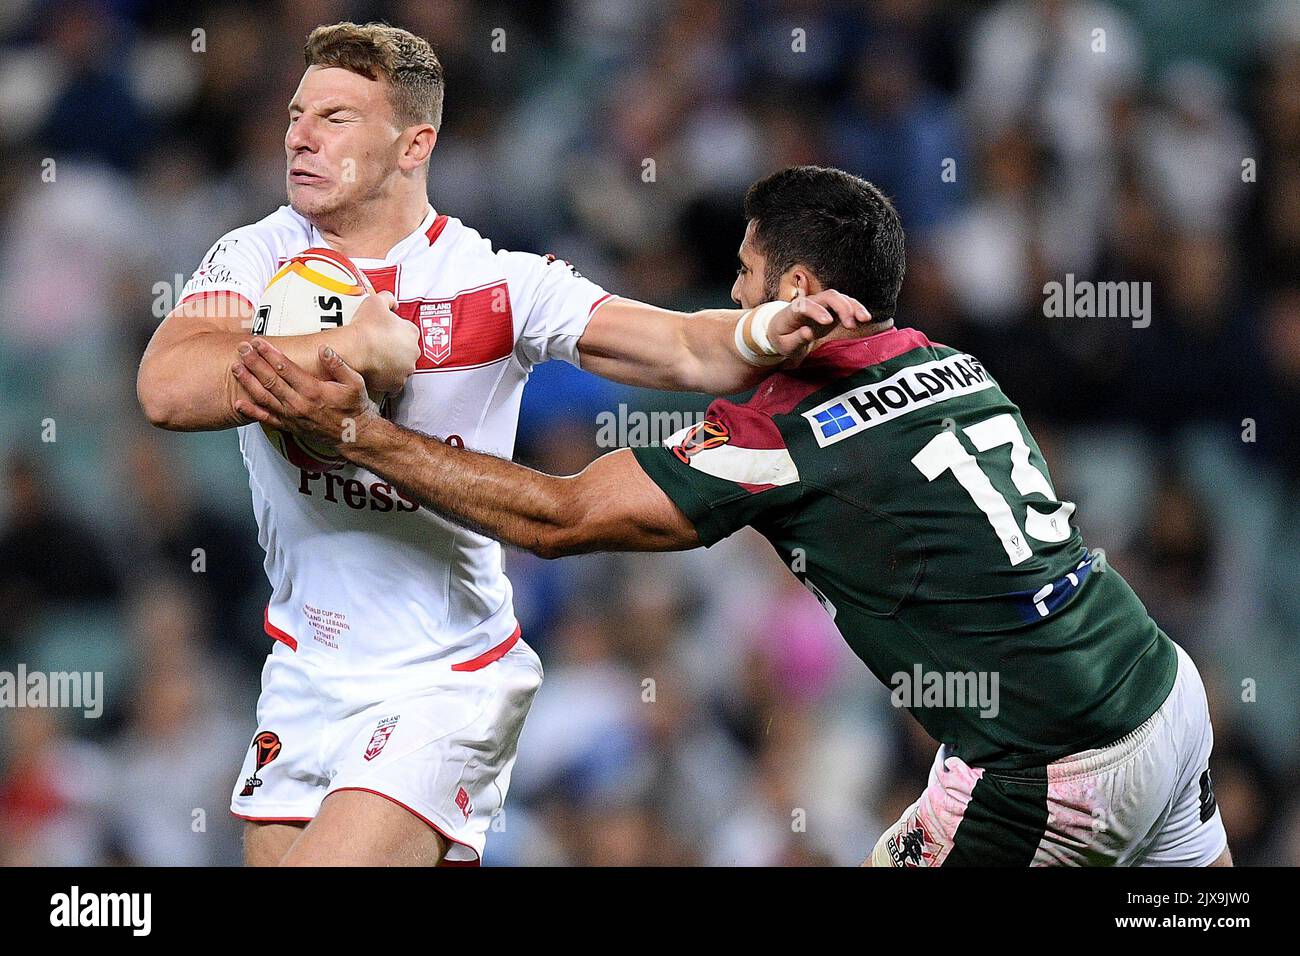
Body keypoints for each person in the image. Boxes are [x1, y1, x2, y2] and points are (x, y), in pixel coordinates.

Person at [232, 165, 1232, 867]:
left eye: (745, 277)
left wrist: (357, 433)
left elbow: (562, 517)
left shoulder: (786, 433)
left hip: (1044, 765)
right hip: (1159, 687)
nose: (731, 294)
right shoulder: (947, 359)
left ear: (797, 290)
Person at [136, 24, 869, 867]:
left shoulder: (497, 284)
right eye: (298, 113)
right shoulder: (257, 253)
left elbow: (680, 347)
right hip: (303, 669)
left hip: (445, 675)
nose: (298, 134)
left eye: (335, 117)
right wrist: (361, 348)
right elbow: (167, 386)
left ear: (415, 143)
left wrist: (769, 324)